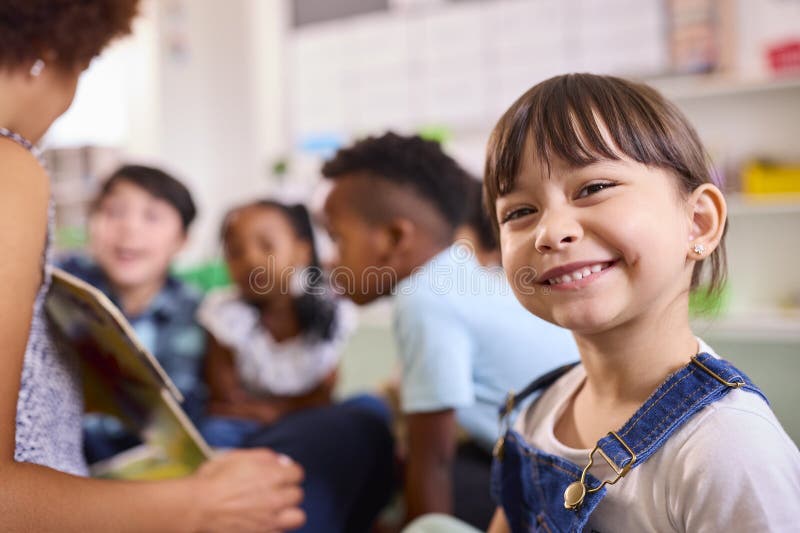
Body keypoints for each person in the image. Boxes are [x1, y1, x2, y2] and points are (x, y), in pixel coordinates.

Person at [0, 2, 304, 530]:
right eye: (84, 66)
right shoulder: (12, 171)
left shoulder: (201, 309)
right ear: (44, 56)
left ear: (181, 240)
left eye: (151, 218)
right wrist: (201, 504)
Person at [473, 73, 799, 532]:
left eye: (592, 188)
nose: (550, 232)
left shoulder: (726, 447)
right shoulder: (539, 409)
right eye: (520, 212)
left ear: (699, 223)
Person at [321, 132, 579, 528]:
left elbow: (432, 459)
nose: (331, 260)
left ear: (394, 238)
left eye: (338, 239)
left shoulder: (424, 300)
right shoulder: (460, 276)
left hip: (561, 480)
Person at [199, 199, 396, 533]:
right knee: (213, 431)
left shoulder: (328, 312)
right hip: (245, 427)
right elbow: (226, 399)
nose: (251, 259)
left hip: (304, 423)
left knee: (367, 410)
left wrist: (273, 413)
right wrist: (279, 412)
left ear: (302, 252)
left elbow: (322, 396)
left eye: (266, 245)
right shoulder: (223, 316)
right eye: (235, 252)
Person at [59, 165, 208, 462]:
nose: (129, 228)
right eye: (113, 212)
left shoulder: (194, 310)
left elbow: (180, 413)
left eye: (152, 217)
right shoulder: (59, 282)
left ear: (182, 241)